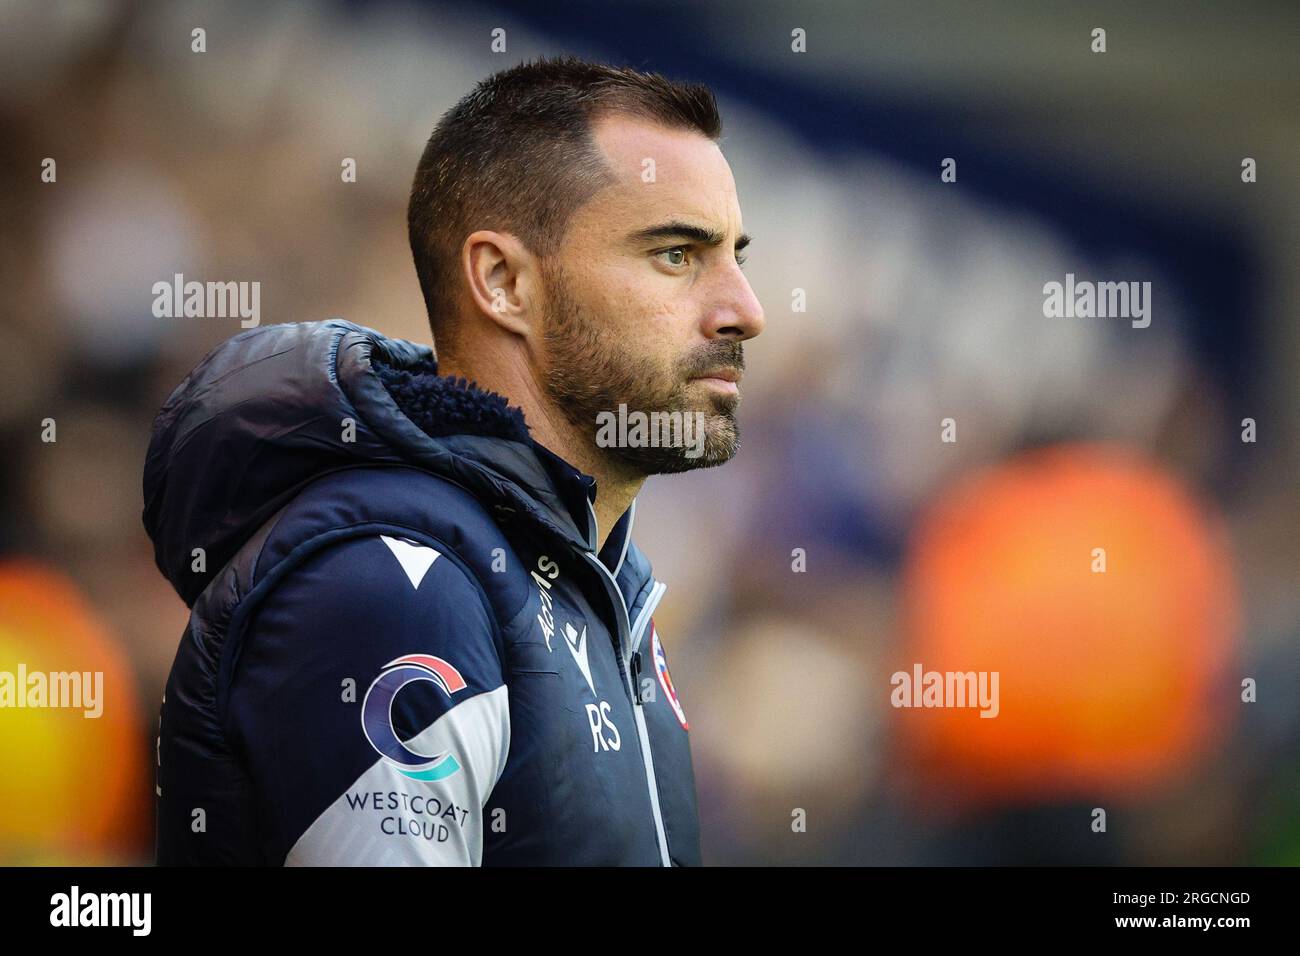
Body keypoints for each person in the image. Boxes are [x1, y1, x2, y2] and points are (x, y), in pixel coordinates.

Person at [145, 54, 764, 866]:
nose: (745, 312)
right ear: (504, 281)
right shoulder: (395, 586)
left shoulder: (609, 596)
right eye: (677, 255)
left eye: (735, 258)